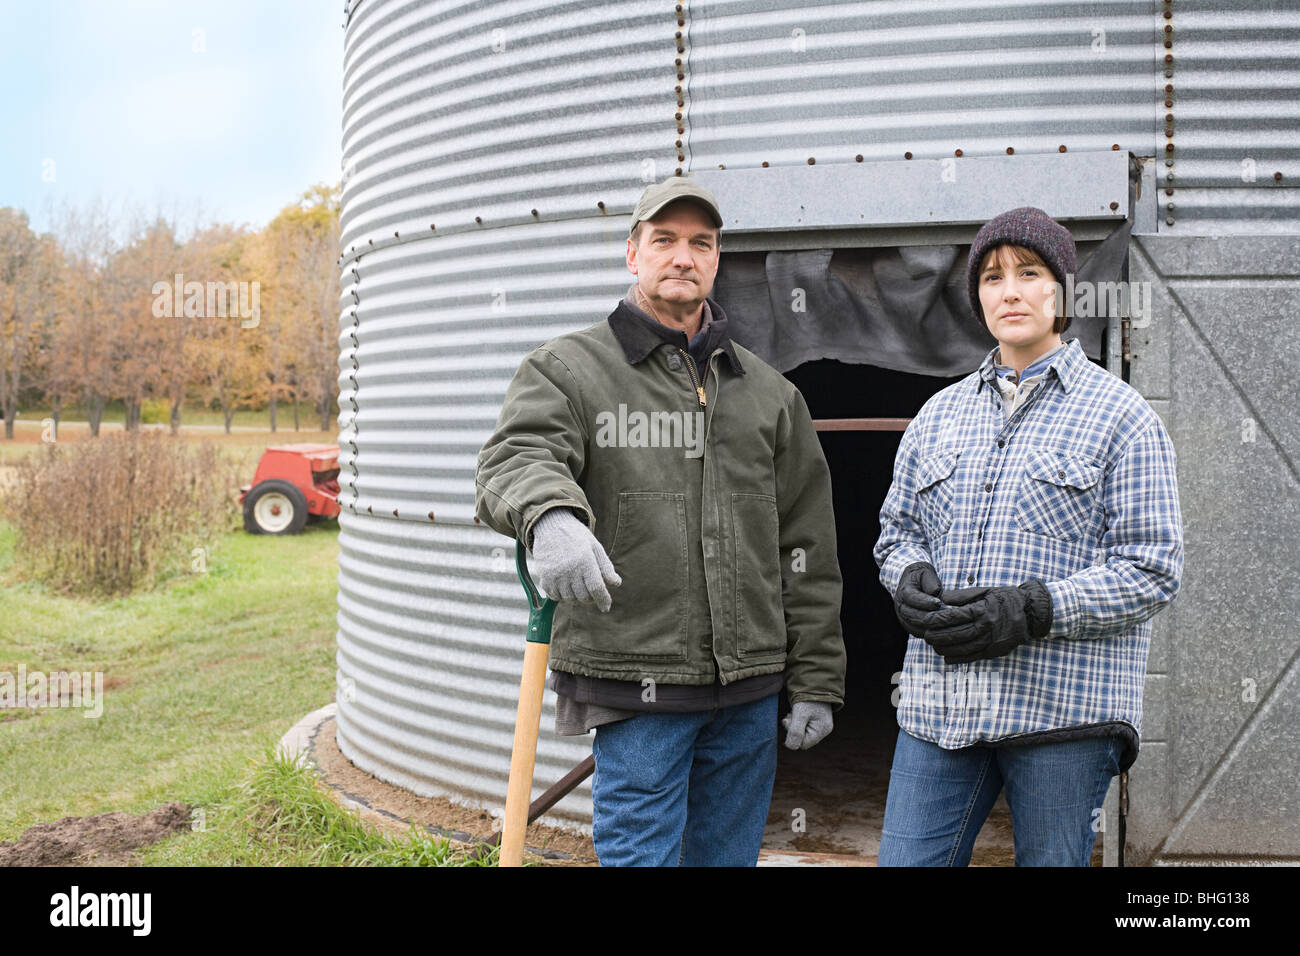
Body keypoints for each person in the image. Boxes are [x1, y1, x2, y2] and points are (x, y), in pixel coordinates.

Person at [475, 176, 846, 866]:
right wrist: (551, 514)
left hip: (749, 690)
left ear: (716, 259)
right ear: (632, 254)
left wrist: (817, 679)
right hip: (636, 683)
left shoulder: (770, 394)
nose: (683, 256)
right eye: (664, 240)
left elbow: (808, 547)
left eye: (700, 243)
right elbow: (517, 456)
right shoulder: (568, 370)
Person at [873, 206, 1184, 866]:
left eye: (1029, 272)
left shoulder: (1122, 417)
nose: (1009, 290)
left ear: (1063, 290)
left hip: (1062, 711)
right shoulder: (937, 416)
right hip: (941, 708)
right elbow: (896, 533)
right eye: (991, 277)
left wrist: (1032, 609)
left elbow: (1152, 567)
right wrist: (906, 579)